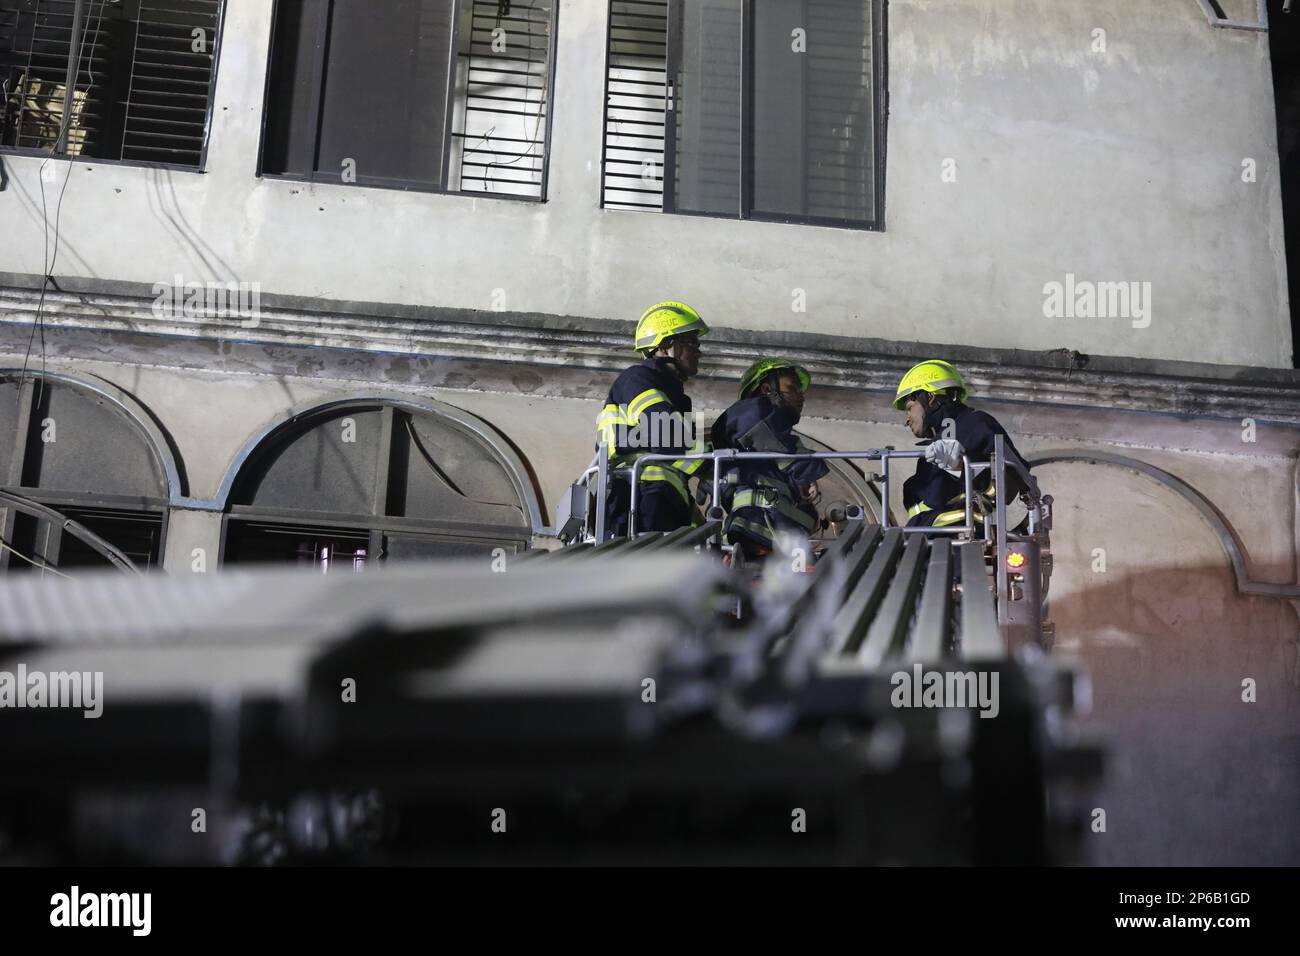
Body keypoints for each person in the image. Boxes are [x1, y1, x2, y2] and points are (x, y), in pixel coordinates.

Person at [595, 301, 710, 537]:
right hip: (637, 498)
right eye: (691, 343)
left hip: (662, 501)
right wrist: (713, 466)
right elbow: (663, 434)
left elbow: (673, 468)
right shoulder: (637, 379)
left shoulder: (676, 398)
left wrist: (701, 529)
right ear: (666, 344)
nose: (699, 352)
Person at [892, 359, 1031, 529]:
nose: (907, 419)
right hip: (925, 534)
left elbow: (1012, 480)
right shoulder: (940, 441)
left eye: (909, 407)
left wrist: (960, 466)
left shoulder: (976, 423)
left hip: (956, 538)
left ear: (929, 397)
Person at [711, 358, 827, 560]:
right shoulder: (752, 411)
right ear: (767, 388)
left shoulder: (768, 429)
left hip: (768, 532)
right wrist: (807, 473)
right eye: (792, 388)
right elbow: (776, 444)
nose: (801, 397)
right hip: (758, 528)